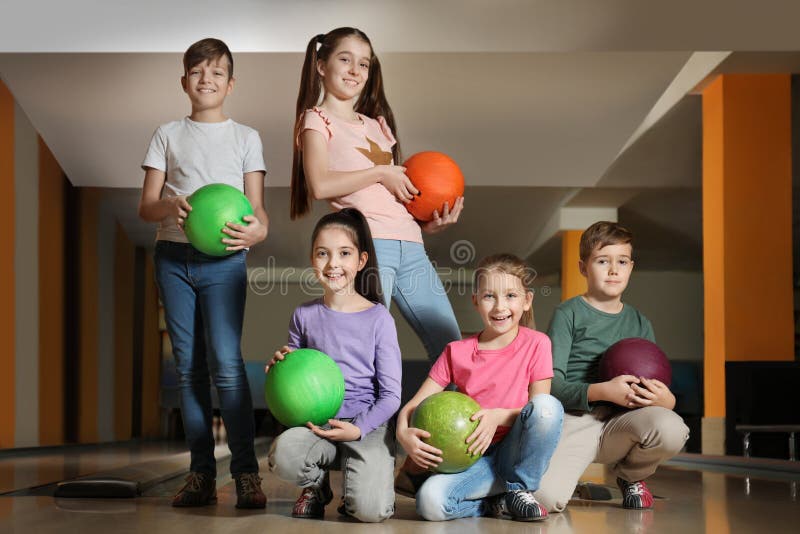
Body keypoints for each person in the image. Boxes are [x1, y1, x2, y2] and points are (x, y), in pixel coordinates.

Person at [138, 38, 268, 508]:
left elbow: (258, 212)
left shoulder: (246, 137)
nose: (206, 79)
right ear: (184, 81)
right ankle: (200, 474)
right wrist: (170, 204)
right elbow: (146, 207)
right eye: (197, 72)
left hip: (225, 261)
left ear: (230, 84)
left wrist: (259, 231)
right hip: (173, 258)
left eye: (216, 72)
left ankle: (246, 474)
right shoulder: (167, 134)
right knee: (188, 368)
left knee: (227, 365)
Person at [289, 27, 464, 363]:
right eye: (345, 59)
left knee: (451, 348)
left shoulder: (377, 125)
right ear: (321, 66)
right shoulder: (316, 119)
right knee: (365, 348)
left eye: (364, 64)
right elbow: (320, 185)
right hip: (371, 244)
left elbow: (391, 195)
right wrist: (381, 172)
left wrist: (427, 223)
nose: (355, 70)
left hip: (411, 245)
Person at [396, 254, 564, 522]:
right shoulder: (456, 351)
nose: (500, 307)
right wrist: (403, 433)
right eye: (489, 296)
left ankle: (519, 489)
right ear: (475, 300)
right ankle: (494, 503)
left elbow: (538, 410)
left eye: (511, 296)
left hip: (516, 454)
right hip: (473, 458)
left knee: (548, 407)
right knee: (429, 503)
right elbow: (415, 405)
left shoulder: (537, 343)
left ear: (527, 300)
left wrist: (497, 416)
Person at [535, 221, 689, 512]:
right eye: (603, 261)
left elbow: (655, 387)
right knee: (546, 499)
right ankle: (570, 483)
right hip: (576, 422)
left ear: (631, 267)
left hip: (622, 424)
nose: (614, 270)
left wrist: (666, 400)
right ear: (583, 268)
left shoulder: (640, 322)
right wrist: (603, 391)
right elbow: (550, 386)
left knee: (671, 429)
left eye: (622, 261)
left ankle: (631, 477)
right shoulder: (568, 314)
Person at [267, 208, 401, 523]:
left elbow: (391, 396)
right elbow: (294, 373)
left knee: (369, 511)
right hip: (319, 423)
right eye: (322, 253)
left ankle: (357, 489)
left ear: (361, 260)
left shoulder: (379, 318)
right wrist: (279, 367)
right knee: (282, 455)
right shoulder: (303, 315)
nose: (333, 264)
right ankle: (317, 486)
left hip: (367, 424)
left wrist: (359, 428)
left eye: (344, 253)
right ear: (312, 259)